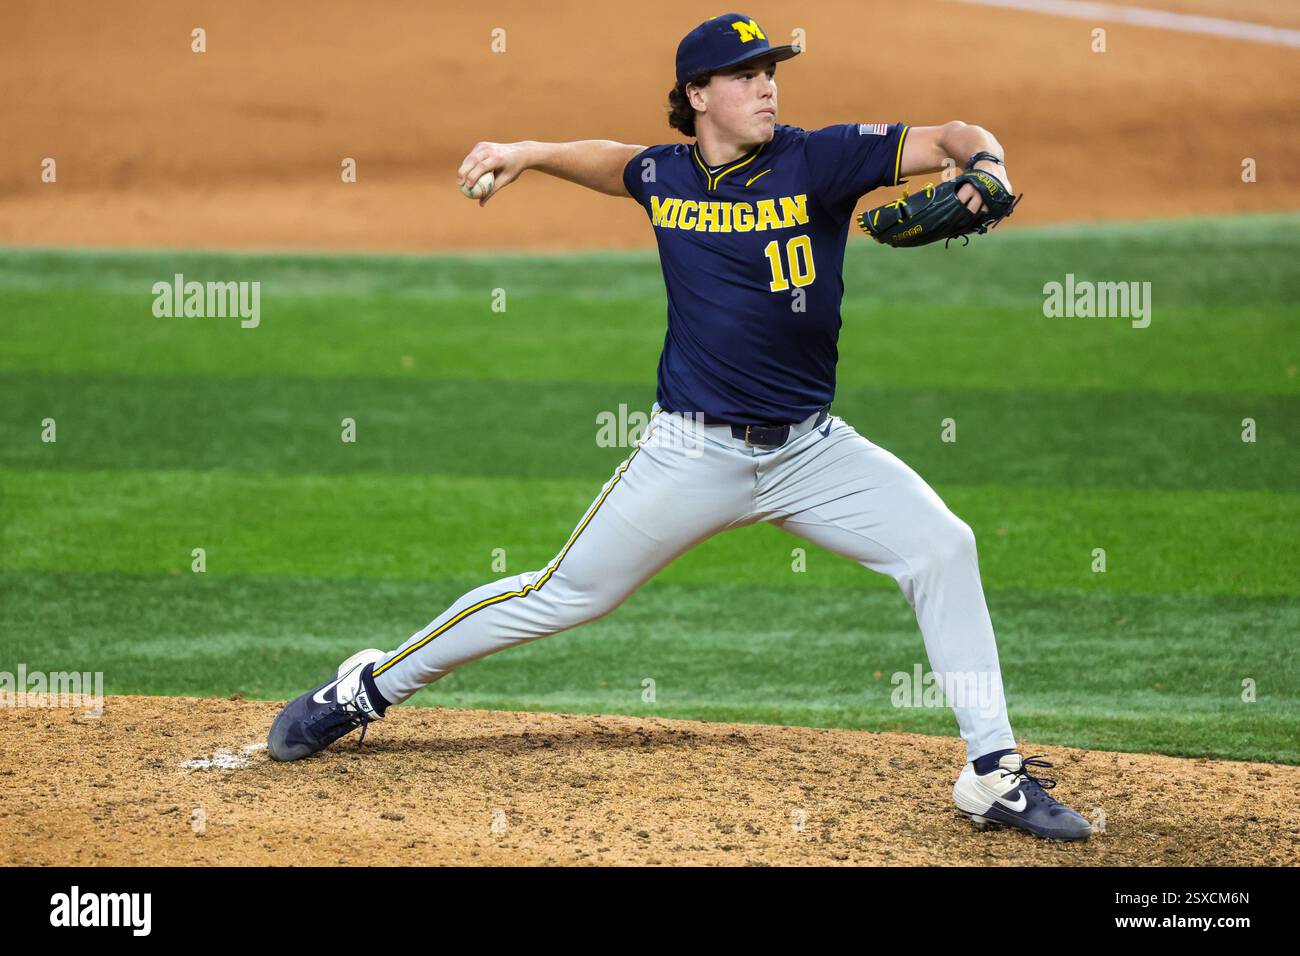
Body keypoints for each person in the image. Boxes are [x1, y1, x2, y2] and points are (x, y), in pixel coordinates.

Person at [268, 12, 1091, 841]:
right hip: (691, 453)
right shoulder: (667, 175)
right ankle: (363, 690)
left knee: (943, 547)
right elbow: (616, 163)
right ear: (697, 94)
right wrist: (529, 152)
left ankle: (992, 772)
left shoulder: (821, 158)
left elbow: (952, 134)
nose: (766, 85)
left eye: (770, 71)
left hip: (813, 450)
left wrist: (985, 162)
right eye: (744, 75)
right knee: (560, 596)